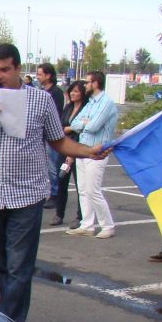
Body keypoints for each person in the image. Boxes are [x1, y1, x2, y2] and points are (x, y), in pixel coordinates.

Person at [0, 44, 106, 322]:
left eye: (4, 70)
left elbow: (58, 140)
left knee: (19, 267)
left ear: (18, 69)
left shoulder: (41, 101)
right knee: (2, 264)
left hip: (27, 195)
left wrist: (89, 151)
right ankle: (9, 320)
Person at [65, 71, 118, 238]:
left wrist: (85, 123)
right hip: (83, 149)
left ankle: (107, 225)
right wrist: (84, 123)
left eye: (87, 82)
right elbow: (74, 122)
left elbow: (94, 126)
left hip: (98, 151)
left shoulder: (106, 102)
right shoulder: (90, 103)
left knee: (93, 190)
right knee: (83, 190)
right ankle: (87, 224)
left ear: (96, 84)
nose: (85, 85)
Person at [52, 80, 88, 227]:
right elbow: (61, 125)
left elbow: (83, 128)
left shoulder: (86, 108)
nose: (73, 94)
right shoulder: (68, 107)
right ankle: (59, 214)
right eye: (72, 91)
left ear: (82, 93)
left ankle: (80, 216)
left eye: (77, 91)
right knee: (61, 181)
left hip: (78, 148)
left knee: (80, 185)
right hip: (64, 147)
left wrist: (71, 128)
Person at [36, 63, 66, 207]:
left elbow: (56, 115)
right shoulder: (41, 91)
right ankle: (51, 192)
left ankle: (55, 194)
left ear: (48, 75)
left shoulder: (56, 93)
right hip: (41, 135)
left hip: (51, 135)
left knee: (54, 166)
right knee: (47, 166)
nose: (37, 77)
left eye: (40, 74)